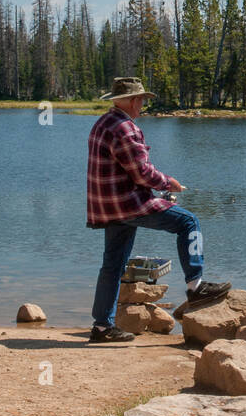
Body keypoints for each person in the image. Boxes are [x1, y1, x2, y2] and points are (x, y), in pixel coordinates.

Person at [86, 77, 230, 343]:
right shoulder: (125, 128)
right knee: (189, 222)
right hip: (127, 204)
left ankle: (102, 327)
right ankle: (196, 286)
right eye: (140, 100)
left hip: (108, 206)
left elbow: (125, 172)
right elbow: (142, 173)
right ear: (131, 101)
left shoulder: (102, 123)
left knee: (112, 265)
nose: (142, 105)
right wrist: (168, 184)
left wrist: (158, 190)